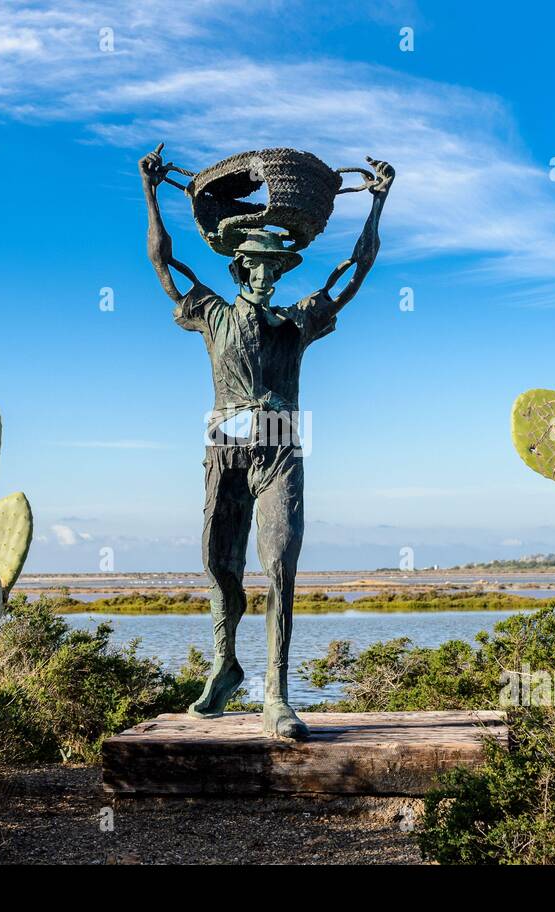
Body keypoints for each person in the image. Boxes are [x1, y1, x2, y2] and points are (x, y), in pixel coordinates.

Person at [140, 144, 393, 739]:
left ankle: (276, 694)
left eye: (274, 266)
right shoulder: (209, 313)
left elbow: (356, 272)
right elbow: (163, 264)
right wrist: (150, 195)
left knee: (279, 567)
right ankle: (225, 667)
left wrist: (378, 204)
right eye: (255, 264)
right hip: (223, 449)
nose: (265, 272)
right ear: (238, 269)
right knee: (217, 563)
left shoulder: (298, 320)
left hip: (279, 449)